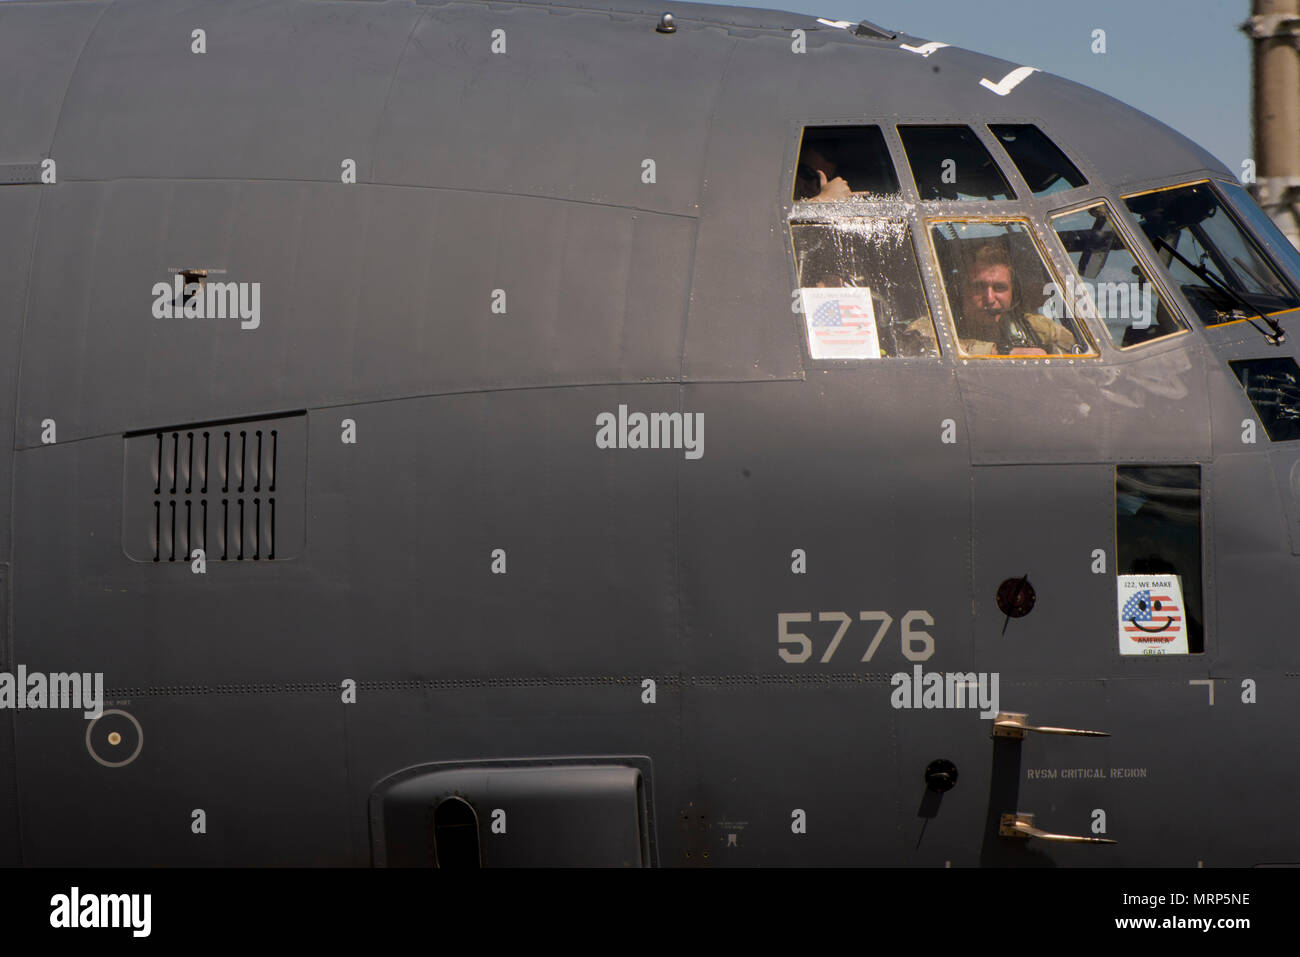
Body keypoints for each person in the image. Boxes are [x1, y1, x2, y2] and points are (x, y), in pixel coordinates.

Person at [907, 244, 1082, 355]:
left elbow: (1080, 352)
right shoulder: (934, 327)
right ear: (961, 290)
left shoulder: (1037, 327)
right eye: (978, 287)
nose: (990, 298)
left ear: (1013, 292)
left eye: (1000, 288)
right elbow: (916, 342)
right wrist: (1002, 353)